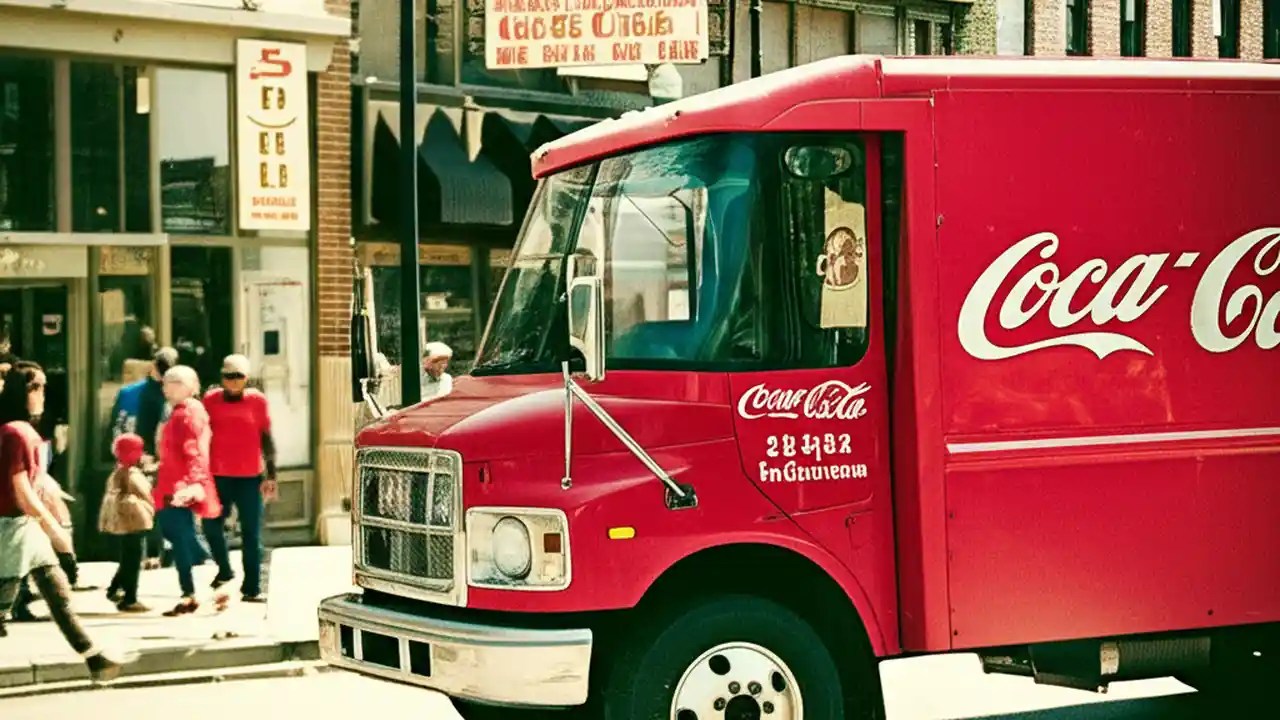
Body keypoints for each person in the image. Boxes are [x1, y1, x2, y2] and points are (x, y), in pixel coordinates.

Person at [0, 362, 133, 679]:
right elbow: (21, 492)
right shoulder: (15, 433)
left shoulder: (25, 432)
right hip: (10, 530)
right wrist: (55, 530)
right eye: (37, 386)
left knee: (59, 595)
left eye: (44, 385)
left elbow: (39, 483)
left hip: (24, 529)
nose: (43, 393)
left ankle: (95, 659)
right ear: (23, 391)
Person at [202, 354, 276, 602]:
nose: (233, 381)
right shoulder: (210, 400)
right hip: (217, 475)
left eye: (238, 376)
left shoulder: (257, 401)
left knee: (251, 534)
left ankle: (252, 587)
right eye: (228, 376)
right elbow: (200, 434)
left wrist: (272, 474)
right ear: (221, 377)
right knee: (210, 526)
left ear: (246, 378)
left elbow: (266, 436)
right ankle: (224, 569)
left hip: (249, 476)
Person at [153, 365, 223, 617]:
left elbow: (193, 451)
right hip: (174, 485)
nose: (165, 386)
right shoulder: (181, 412)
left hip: (179, 487)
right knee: (182, 537)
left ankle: (200, 589)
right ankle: (203, 589)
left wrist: (194, 483)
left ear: (186, 386)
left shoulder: (187, 413)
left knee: (182, 537)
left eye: (171, 382)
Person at [99, 433, 153, 612]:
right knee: (133, 560)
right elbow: (146, 494)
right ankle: (130, 598)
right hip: (133, 522)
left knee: (127, 558)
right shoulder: (131, 474)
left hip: (123, 522)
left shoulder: (117, 472)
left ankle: (114, 589)